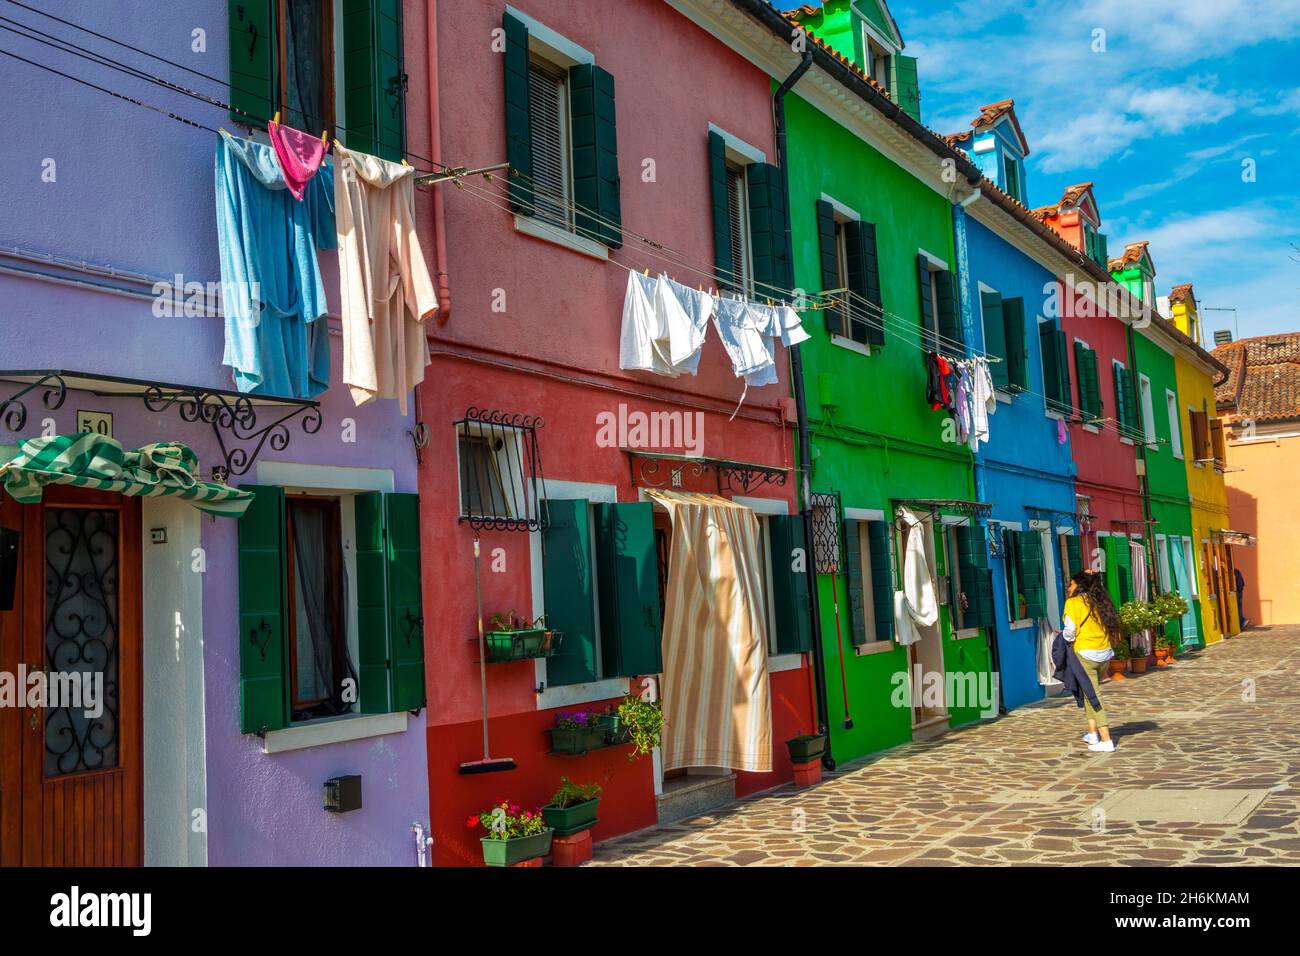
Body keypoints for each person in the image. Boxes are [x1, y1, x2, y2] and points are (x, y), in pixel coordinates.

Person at [1062, 570, 1123, 753]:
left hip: (1085, 654)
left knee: (1094, 696)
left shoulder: (1073, 603)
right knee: (1089, 692)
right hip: (1104, 653)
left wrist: (1064, 637)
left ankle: (1106, 739)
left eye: (1071, 584)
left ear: (1078, 586)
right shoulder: (1100, 600)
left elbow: (1070, 630)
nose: (1069, 587)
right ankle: (1092, 733)